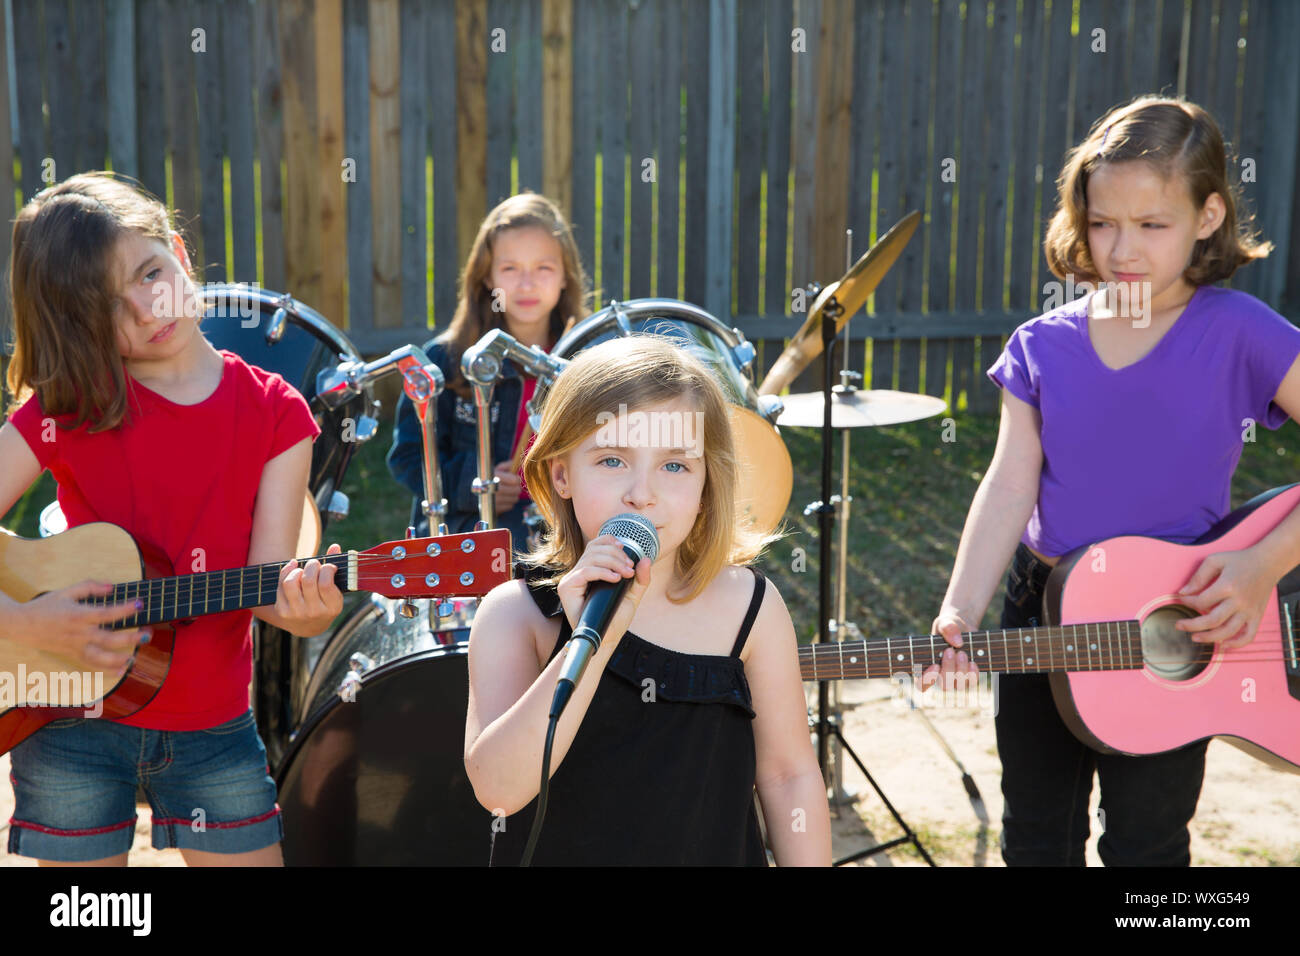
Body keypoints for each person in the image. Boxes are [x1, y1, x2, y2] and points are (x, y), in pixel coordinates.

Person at [925, 96, 1300, 866]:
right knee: (1036, 835)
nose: (1123, 249)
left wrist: (1264, 564)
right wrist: (959, 609)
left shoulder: (1244, 332)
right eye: (1103, 224)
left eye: (1152, 225)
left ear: (1208, 216)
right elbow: (1008, 483)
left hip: (1175, 619)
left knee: (1146, 845)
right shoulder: (1040, 346)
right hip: (1044, 606)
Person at [0, 172, 345, 866]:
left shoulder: (277, 416)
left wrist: (311, 610)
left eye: (152, 272)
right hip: (68, 719)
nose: (146, 307)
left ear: (181, 253)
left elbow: (272, 591)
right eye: (106, 306)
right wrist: (24, 624)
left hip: (211, 727)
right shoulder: (67, 408)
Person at [463, 336, 830, 866]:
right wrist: (591, 641)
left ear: (707, 483)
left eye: (675, 466)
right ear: (560, 473)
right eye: (612, 460)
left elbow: (789, 775)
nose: (642, 493)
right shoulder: (516, 615)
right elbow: (498, 789)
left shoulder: (751, 607)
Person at [387, 192, 590, 554]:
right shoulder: (444, 361)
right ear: (486, 277)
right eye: (510, 268)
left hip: (566, 538)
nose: (526, 283)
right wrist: (476, 483)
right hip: (470, 538)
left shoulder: (588, 362)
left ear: (565, 277)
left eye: (544, 267)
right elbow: (407, 457)